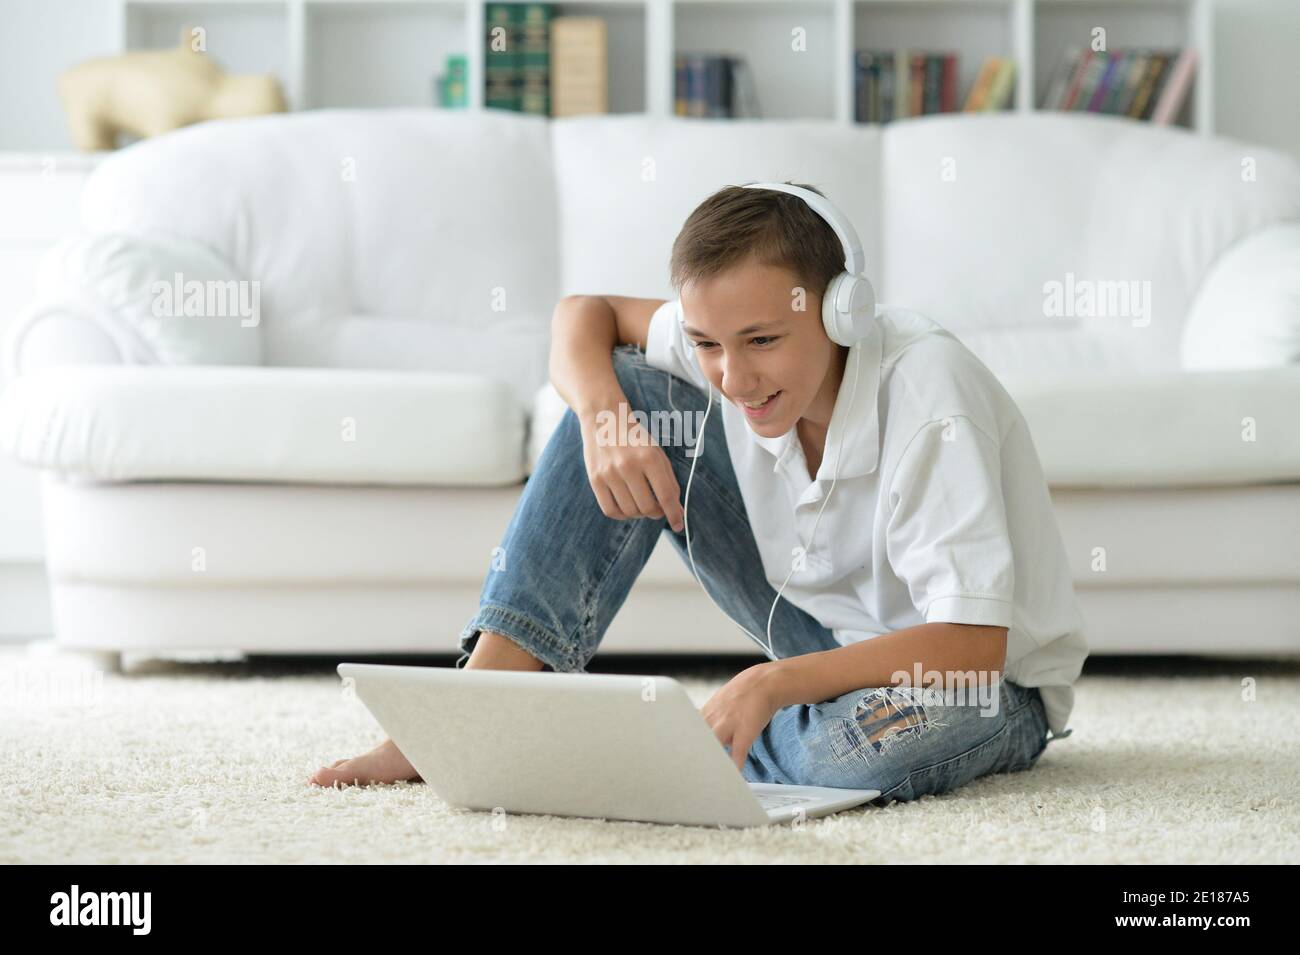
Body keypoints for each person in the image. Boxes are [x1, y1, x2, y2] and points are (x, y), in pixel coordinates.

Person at [311, 181, 1088, 803]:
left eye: (762, 342)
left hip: (973, 684)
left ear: (841, 312)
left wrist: (772, 681)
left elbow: (973, 647)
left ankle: (674, 753)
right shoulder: (724, 336)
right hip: (818, 636)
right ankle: (466, 715)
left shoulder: (930, 396)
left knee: (877, 742)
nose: (734, 377)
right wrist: (603, 415)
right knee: (625, 385)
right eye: (709, 344)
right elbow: (583, 314)